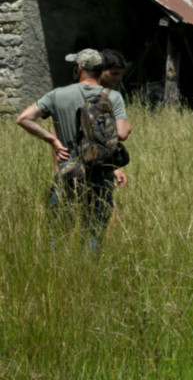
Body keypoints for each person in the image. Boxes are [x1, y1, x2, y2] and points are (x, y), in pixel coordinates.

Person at [14, 48, 131, 252]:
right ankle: (89, 268)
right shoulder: (113, 97)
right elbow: (122, 134)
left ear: (79, 68)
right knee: (94, 231)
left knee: (59, 230)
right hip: (100, 172)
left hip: (68, 171)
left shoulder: (58, 95)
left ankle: (57, 266)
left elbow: (23, 119)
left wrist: (52, 140)